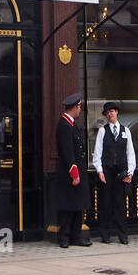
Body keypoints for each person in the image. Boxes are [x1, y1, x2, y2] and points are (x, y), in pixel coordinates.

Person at [91, 101, 136, 245]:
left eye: (112, 111)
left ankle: (123, 235)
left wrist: (130, 172)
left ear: (117, 112)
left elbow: (130, 153)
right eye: (107, 113)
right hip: (107, 172)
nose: (110, 114)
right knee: (106, 203)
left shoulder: (126, 131)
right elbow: (97, 153)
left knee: (120, 204)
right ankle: (105, 234)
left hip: (121, 172)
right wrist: (99, 170)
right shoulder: (102, 131)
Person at [54, 92, 91, 248]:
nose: (80, 110)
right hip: (69, 173)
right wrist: (74, 173)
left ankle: (76, 236)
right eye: (79, 107)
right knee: (68, 206)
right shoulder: (64, 125)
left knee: (77, 205)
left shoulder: (71, 124)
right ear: (75, 107)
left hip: (77, 171)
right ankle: (64, 237)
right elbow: (68, 152)